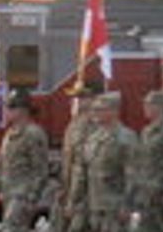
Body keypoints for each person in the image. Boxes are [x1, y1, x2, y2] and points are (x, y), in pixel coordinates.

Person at [0, 88, 50, 232]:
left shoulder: (33, 134)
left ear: (22, 110)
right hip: (8, 195)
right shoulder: (10, 135)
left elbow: (41, 170)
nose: (6, 112)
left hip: (22, 197)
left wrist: (30, 198)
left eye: (10, 108)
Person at [71, 93, 139, 232]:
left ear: (114, 111)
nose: (95, 113)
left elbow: (132, 175)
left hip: (114, 206)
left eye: (100, 109)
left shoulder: (125, 138)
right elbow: (82, 172)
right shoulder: (93, 138)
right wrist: (74, 200)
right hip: (94, 204)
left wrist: (127, 205)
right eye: (94, 109)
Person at [59, 79, 106, 232]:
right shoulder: (74, 124)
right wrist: (64, 189)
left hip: (88, 194)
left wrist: (74, 197)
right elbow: (68, 162)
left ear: (93, 99)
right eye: (74, 98)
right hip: (72, 190)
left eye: (80, 98)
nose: (75, 102)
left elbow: (83, 164)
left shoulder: (94, 125)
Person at [134, 90, 163, 232]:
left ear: (160, 107)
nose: (144, 107)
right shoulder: (147, 131)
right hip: (145, 189)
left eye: (148, 104)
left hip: (159, 190)